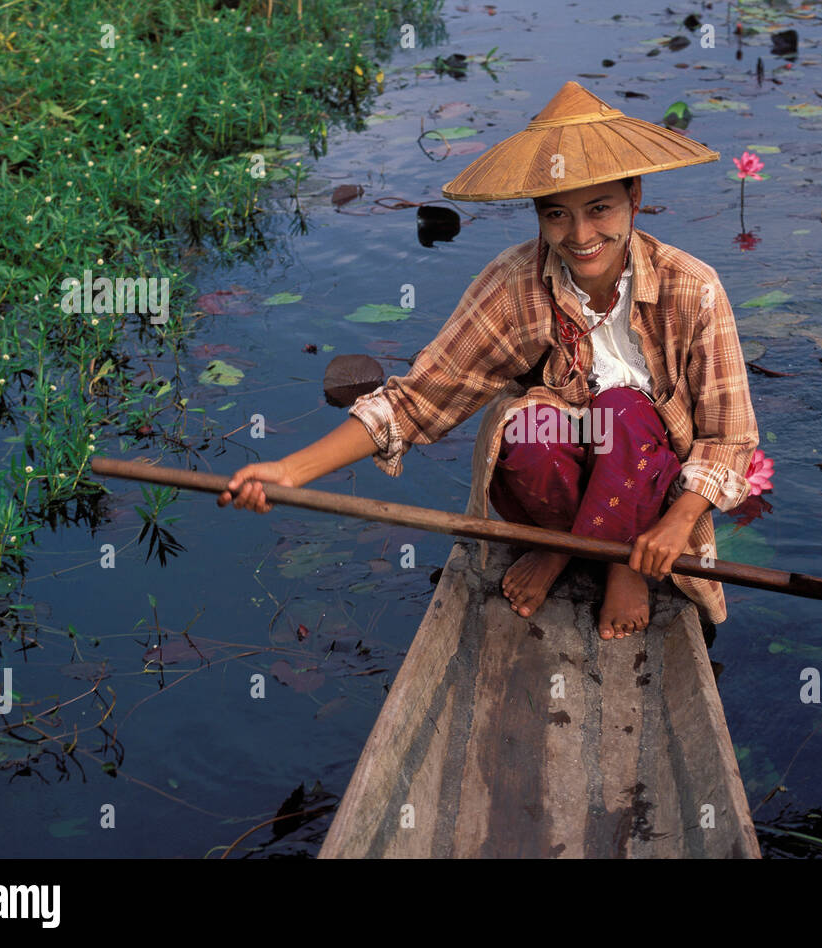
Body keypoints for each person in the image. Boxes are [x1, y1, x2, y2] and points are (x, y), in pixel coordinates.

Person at [218, 81, 759, 641]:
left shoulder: (692, 288)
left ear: (634, 197)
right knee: (527, 429)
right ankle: (558, 545)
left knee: (622, 410)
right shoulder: (513, 282)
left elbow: (731, 438)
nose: (579, 236)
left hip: (647, 477)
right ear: (538, 215)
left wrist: (676, 523)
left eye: (600, 209)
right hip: (561, 474)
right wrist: (290, 471)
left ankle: (620, 563)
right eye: (557, 215)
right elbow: (418, 399)